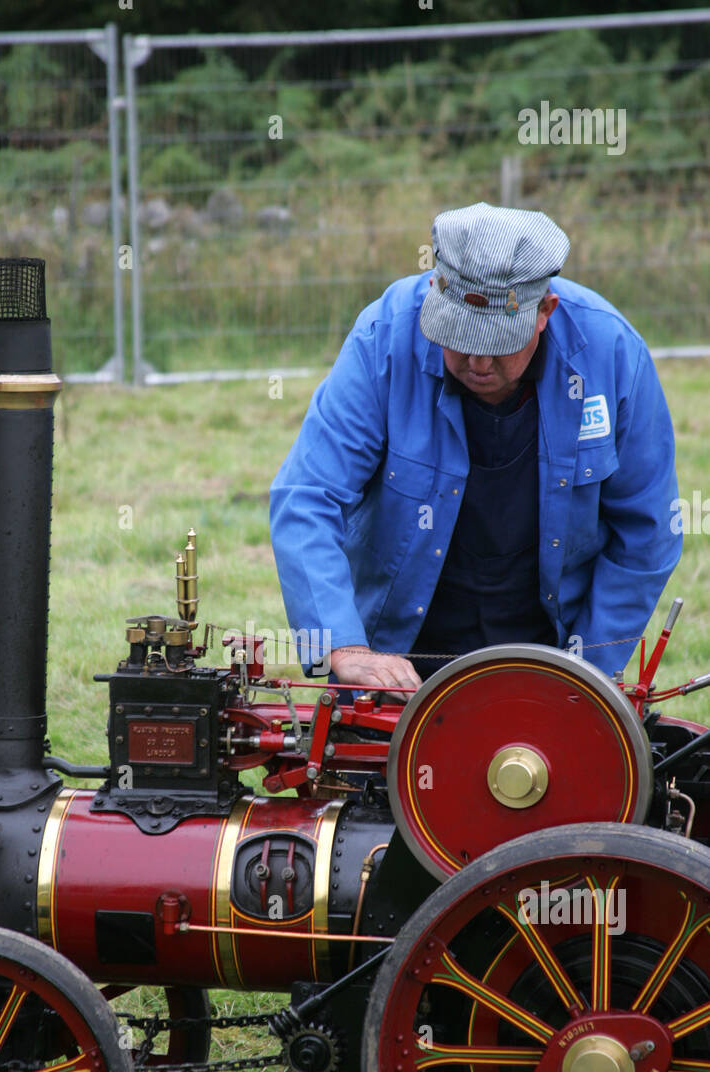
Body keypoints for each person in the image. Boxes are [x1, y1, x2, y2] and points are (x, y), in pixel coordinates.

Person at [269, 202, 681, 699]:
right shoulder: (383, 340)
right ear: (433, 295)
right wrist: (346, 647)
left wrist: (586, 671)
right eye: (460, 338)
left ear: (544, 311)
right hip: (396, 655)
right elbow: (307, 496)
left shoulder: (613, 355)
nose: (478, 362)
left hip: (553, 653)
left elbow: (647, 530)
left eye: (499, 342)